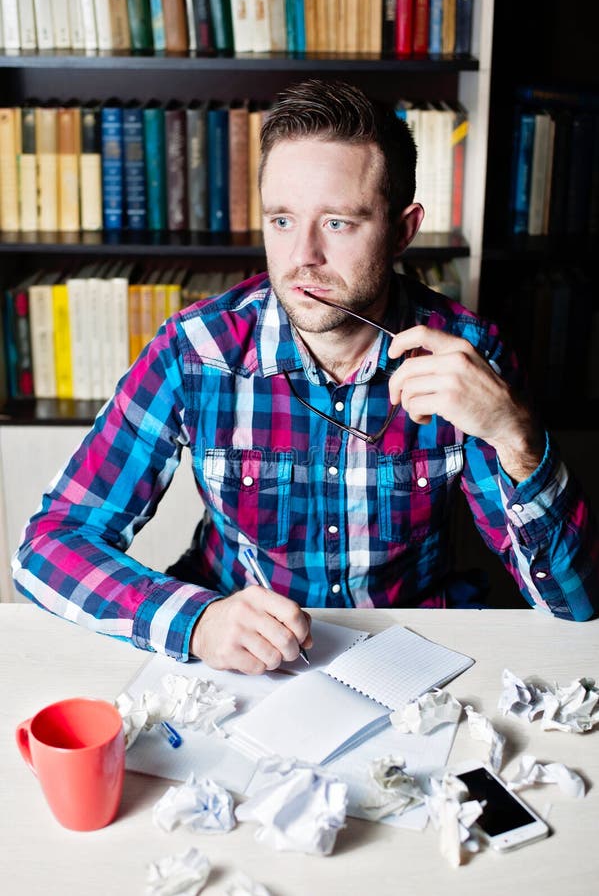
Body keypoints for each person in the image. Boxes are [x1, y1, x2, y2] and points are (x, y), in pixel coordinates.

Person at [12, 80, 598, 674]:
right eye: (283, 221)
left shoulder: (468, 354)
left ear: (403, 231)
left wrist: (518, 439)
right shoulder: (197, 351)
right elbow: (48, 547)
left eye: (338, 223)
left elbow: (575, 604)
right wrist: (195, 621)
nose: (302, 258)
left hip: (413, 655)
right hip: (236, 665)